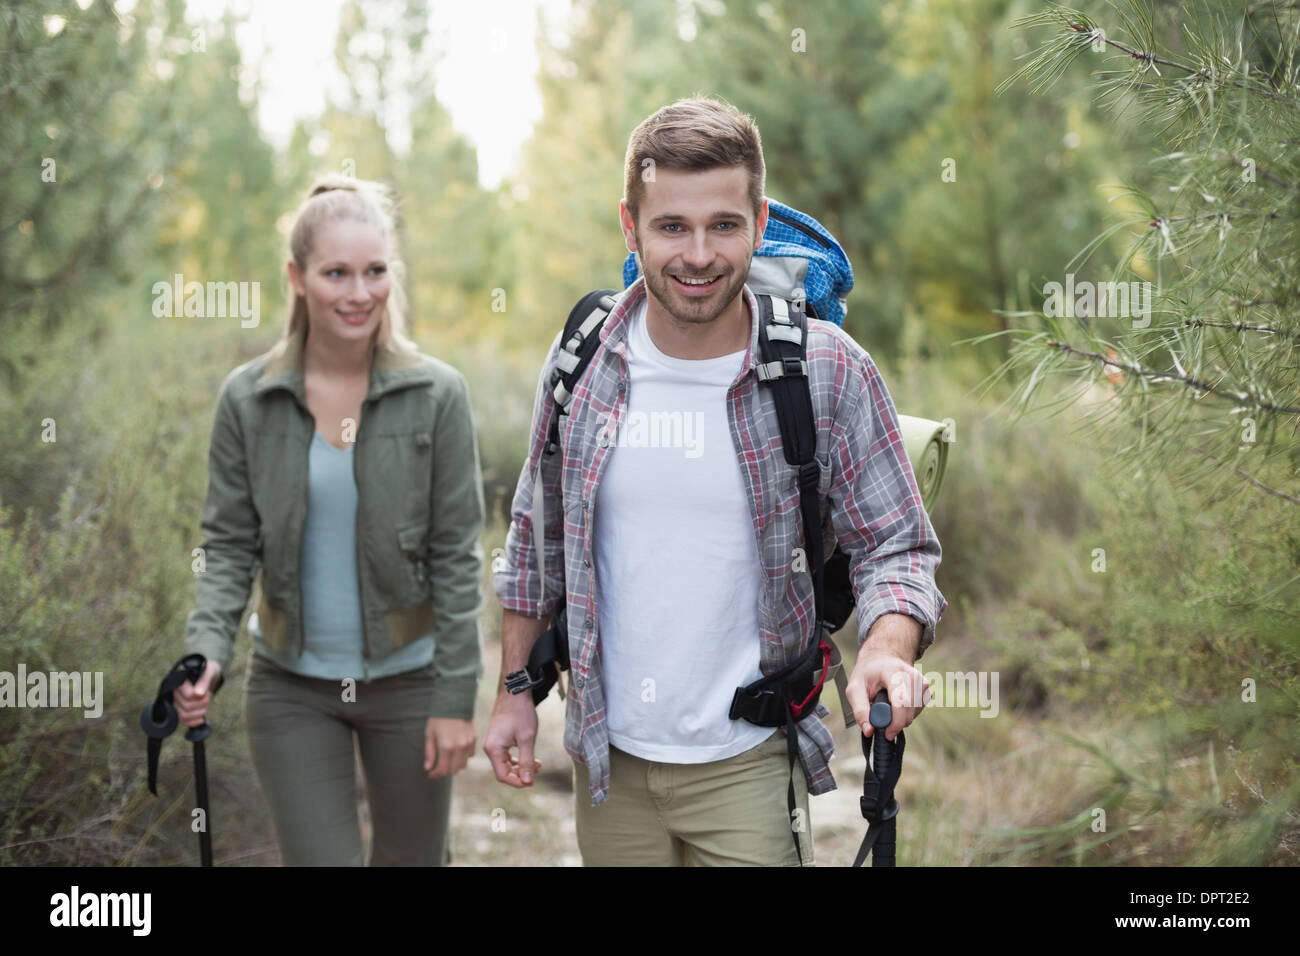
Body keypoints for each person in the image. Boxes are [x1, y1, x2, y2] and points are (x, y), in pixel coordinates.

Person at [484, 98, 948, 866]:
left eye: (723, 225)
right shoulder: (581, 359)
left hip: (749, 766)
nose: (698, 255)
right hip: (609, 765)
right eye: (672, 226)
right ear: (630, 227)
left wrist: (885, 651)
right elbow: (536, 537)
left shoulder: (825, 368)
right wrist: (512, 691)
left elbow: (897, 545)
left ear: (760, 223)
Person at [174, 175, 486, 866]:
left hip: (411, 683)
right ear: (296, 276)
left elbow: (458, 555)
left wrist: (456, 697)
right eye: (336, 273)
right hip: (290, 688)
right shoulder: (249, 399)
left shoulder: (437, 394)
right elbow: (227, 545)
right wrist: (207, 652)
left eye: (375, 271)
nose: (359, 293)